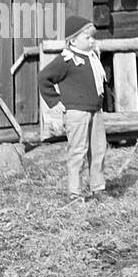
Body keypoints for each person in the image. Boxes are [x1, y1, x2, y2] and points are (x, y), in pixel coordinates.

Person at [38, 14, 109, 202]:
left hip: (95, 110)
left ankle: (98, 187)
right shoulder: (66, 59)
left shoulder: (93, 57)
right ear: (73, 40)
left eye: (93, 37)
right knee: (78, 151)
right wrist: (55, 102)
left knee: (99, 148)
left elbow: (99, 83)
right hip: (77, 113)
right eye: (87, 37)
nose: (92, 40)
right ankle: (74, 192)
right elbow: (44, 78)